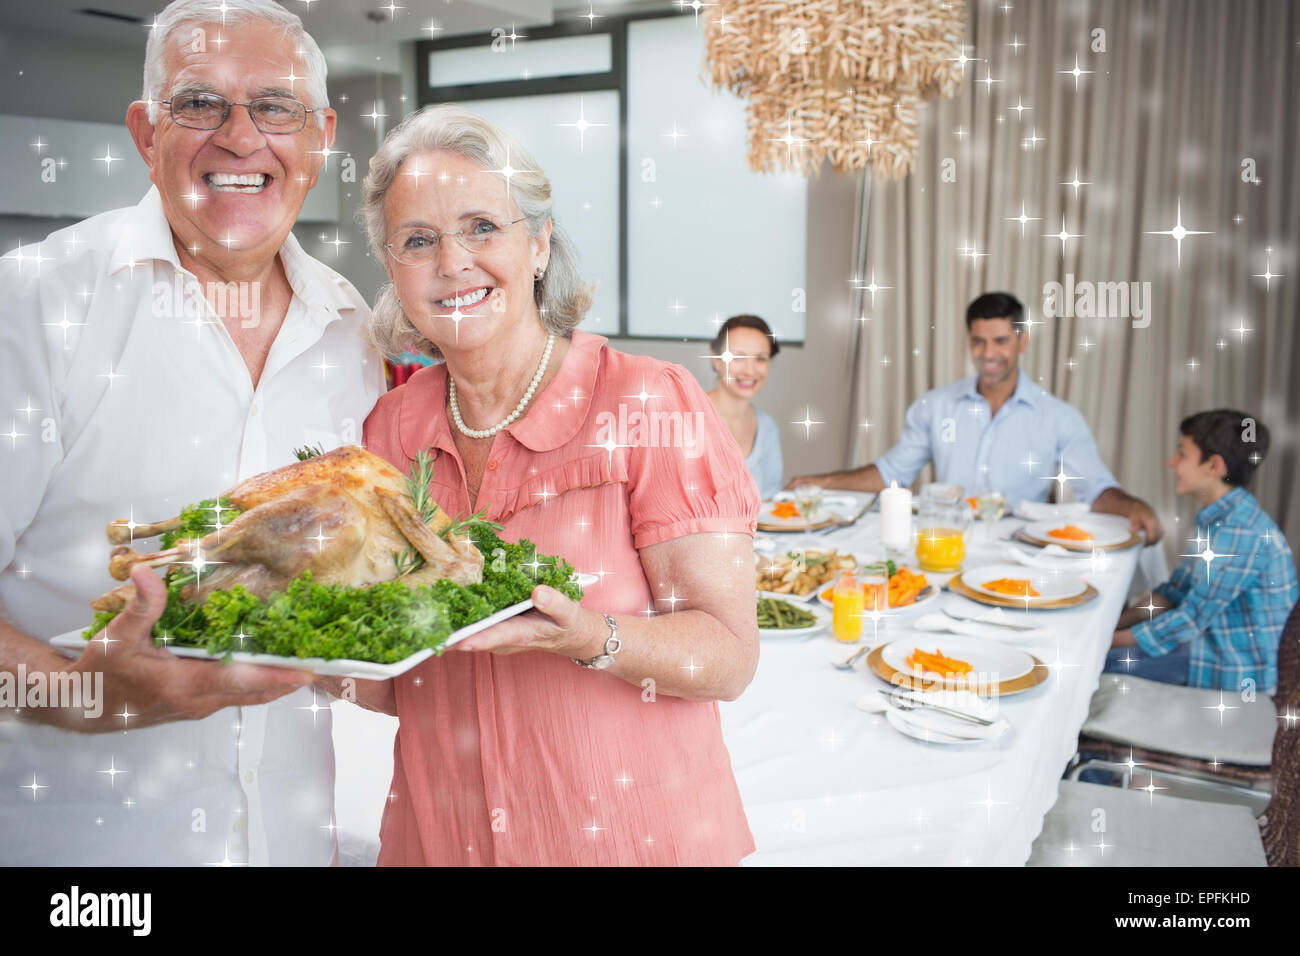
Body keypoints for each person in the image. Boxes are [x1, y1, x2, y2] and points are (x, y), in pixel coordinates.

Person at [0, 0, 385, 865]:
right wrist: (75, 692)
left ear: (320, 139)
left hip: (291, 841)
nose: (242, 137)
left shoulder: (351, 332)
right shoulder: (33, 304)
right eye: (200, 102)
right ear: (146, 132)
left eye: (275, 106)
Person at [351, 104, 760, 865]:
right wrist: (286, 650)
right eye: (418, 240)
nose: (452, 262)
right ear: (393, 269)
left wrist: (590, 638)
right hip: (443, 841)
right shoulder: (388, 431)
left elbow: (729, 657)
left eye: (482, 226)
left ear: (538, 244)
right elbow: (384, 683)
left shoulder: (649, 404)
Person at [787, 292, 1162, 542]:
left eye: (1000, 341)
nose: (988, 353)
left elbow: (1094, 489)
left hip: (1020, 551)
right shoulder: (935, 406)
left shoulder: (1059, 417)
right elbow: (891, 474)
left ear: (1022, 341)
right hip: (946, 542)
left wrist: (1133, 506)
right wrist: (818, 482)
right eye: (979, 341)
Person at [1108, 410, 1297, 690]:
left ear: (1214, 466)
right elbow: (1177, 591)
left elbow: (1189, 619)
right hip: (1206, 641)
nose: (1173, 463)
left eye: (1182, 454)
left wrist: (1107, 640)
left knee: (1100, 663)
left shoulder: (1240, 532)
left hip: (1228, 666)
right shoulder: (1219, 517)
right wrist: (1115, 621)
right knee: (1101, 653)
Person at [706, 314, 784, 498]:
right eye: (738, 357)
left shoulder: (767, 427)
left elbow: (769, 500)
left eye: (761, 359)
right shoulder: (687, 420)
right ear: (716, 360)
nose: (750, 371)